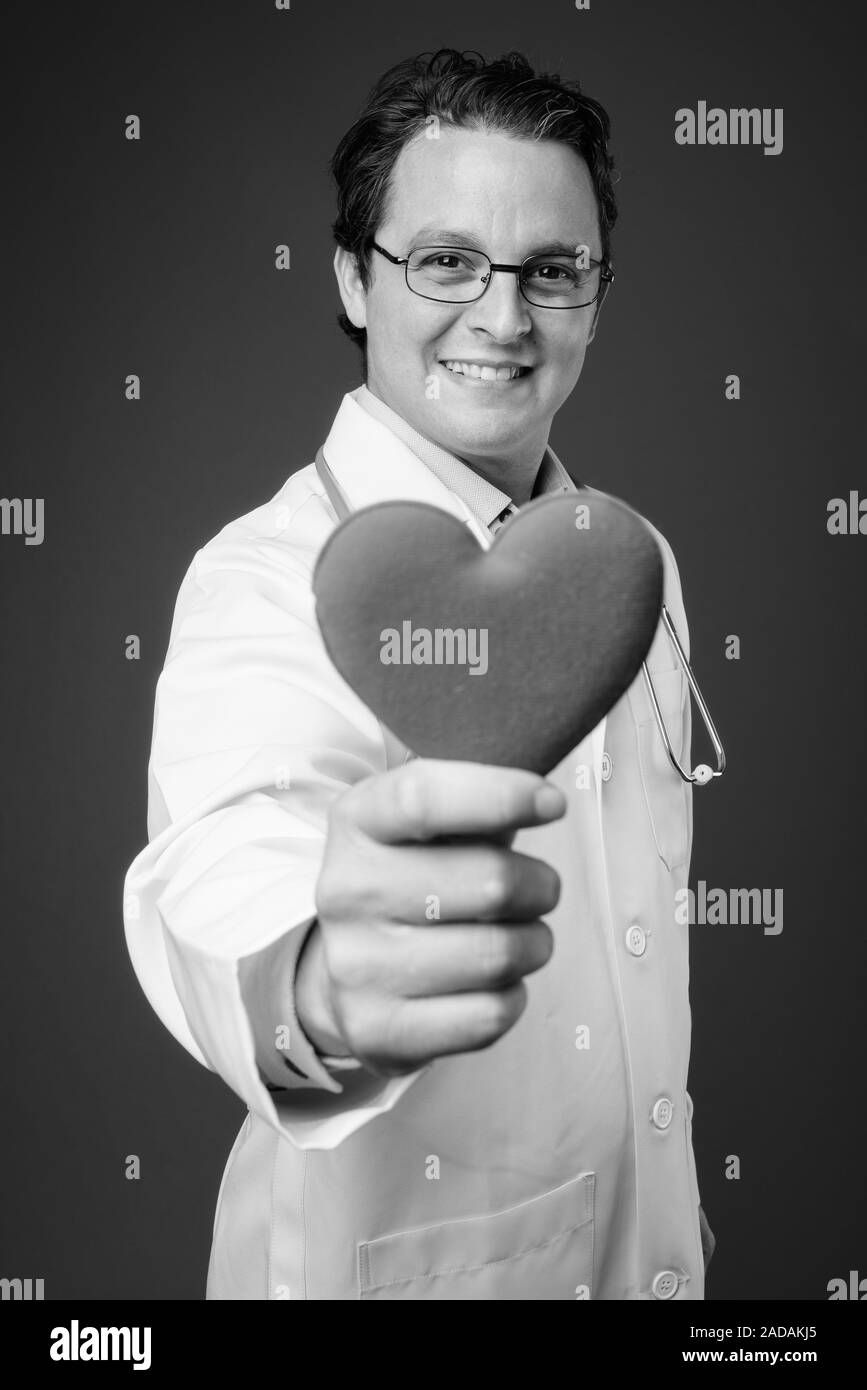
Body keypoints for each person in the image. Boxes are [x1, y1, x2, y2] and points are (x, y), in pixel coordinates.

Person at [123, 47, 715, 1300]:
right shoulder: (266, 578)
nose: (503, 319)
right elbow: (226, 860)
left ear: (597, 298)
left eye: (552, 272)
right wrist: (325, 990)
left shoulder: (631, 559)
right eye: (446, 261)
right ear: (354, 276)